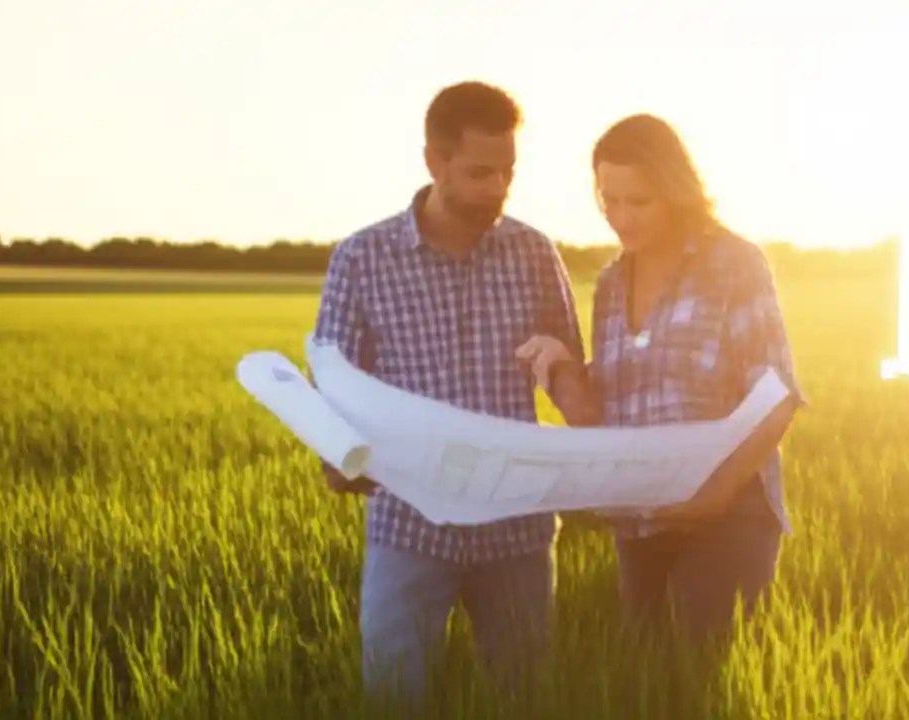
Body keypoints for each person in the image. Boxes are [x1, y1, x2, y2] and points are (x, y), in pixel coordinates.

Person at [312, 81, 584, 705]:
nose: (496, 188)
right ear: (434, 162)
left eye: (507, 173)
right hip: (408, 528)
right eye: (479, 171)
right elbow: (333, 386)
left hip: (516, 529)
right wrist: (337, 454)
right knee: (392, 700)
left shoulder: (535, 253)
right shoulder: (361, 258)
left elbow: (573, 380)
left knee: (523, 701)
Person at [515, 113, 806, 649]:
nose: (621, 216)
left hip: (727, 520)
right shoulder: (609, 284)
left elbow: (777, 396)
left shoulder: (733, 263)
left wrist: (712, 496)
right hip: (639, 524)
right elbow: (606, 422)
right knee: (646, 686)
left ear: (675, 189)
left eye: (638, 201)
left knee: (700, 682)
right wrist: (558, 368)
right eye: (609, 200)